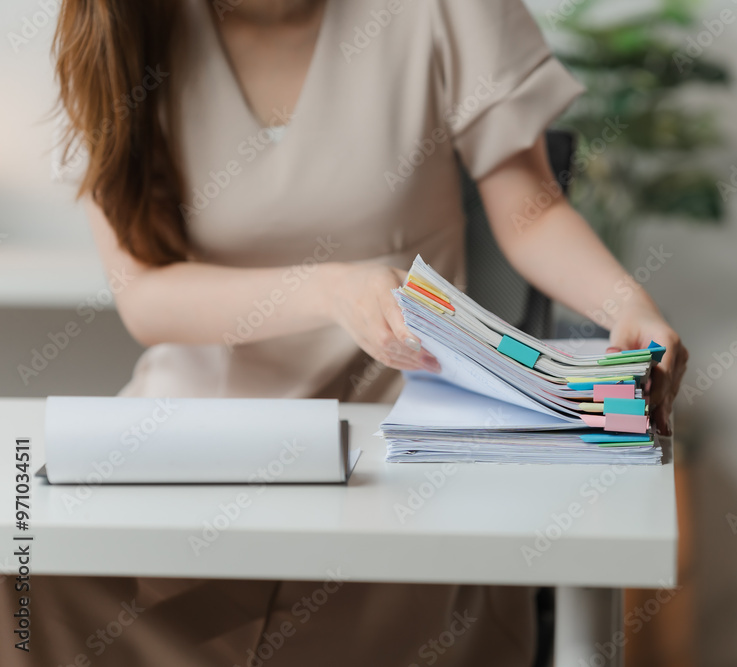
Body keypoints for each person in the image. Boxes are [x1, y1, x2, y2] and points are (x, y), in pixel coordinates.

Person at [3, 0, 688, 664]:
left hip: (397, 461)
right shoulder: (116, 24)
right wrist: (331, 288)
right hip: (189, 456)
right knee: (20, 586)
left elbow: (529, 212)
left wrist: (629, 304)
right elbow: (145, 293)